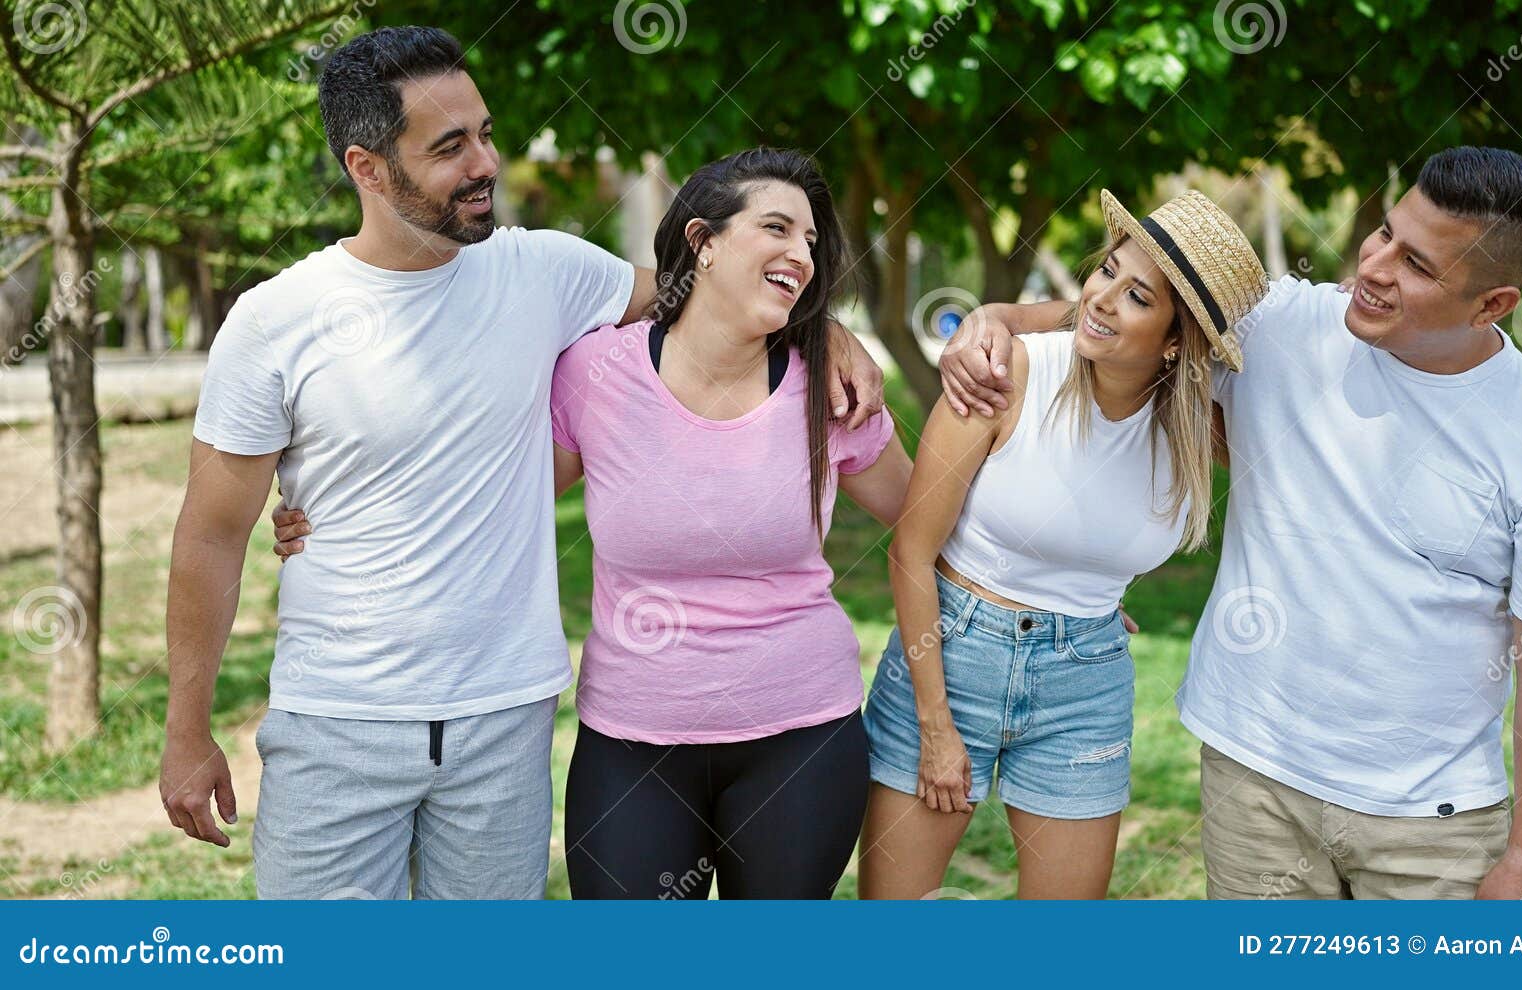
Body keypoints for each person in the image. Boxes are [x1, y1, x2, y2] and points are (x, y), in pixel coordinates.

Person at [159, 27, 883, 901]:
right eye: (449, 147)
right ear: (369, 168)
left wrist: (828, 328)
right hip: (337, 725)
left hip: (504, 727)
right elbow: (209, 535)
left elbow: (717, 295)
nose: (485, 163)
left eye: (486, 133)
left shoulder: (547, 271)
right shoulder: (276, 321)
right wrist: (186, 729)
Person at [941, 147, 1522, 900]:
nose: (1376, 267)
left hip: (1432, 823)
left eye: (1417, 265)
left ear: (1493, 305)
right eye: (1385, 233)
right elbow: (1116, 315)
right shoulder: (1282, 323)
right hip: (1250, 780)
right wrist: (990, 321)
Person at [274, 147, 913, 899]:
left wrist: (1004, 338)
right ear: (703, 242)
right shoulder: (596, 374)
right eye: (777, 228)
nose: (801, 253)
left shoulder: (826, 388)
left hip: (802, 734)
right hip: (633, 740)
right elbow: (487, 495)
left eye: (811, 241)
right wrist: (327, 513)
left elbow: (925, 518)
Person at [857, 190, 1266, 899]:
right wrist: (936, 727)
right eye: (1106, 271)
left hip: (1086, 680)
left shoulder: (1198, 432)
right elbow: (911, 551)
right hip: (951, 653)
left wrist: (1080, 601)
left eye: (1137, 295)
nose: (1102, 299)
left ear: (1176, 340)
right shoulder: (1007, 375)